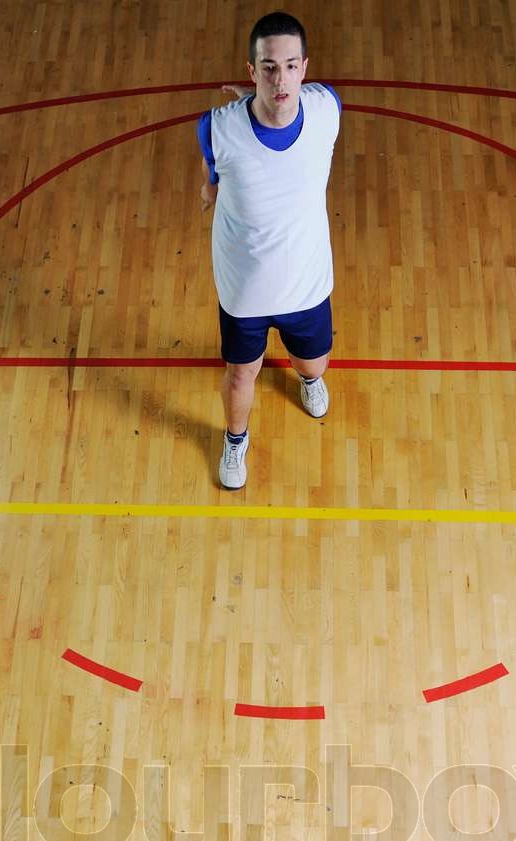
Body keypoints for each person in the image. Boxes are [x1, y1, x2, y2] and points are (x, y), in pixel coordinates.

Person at [198, 13, 341, 489]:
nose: (280, 79)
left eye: (289, 66)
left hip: (307, 284)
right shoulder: (217, 130)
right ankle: (236, 439)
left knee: (314, 363)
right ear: (251, 70)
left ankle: (308, 378)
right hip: (245, 294)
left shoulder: (328, 111)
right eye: (268, 68)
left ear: (305, 67)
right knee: (242, 376)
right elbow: (211, 184)